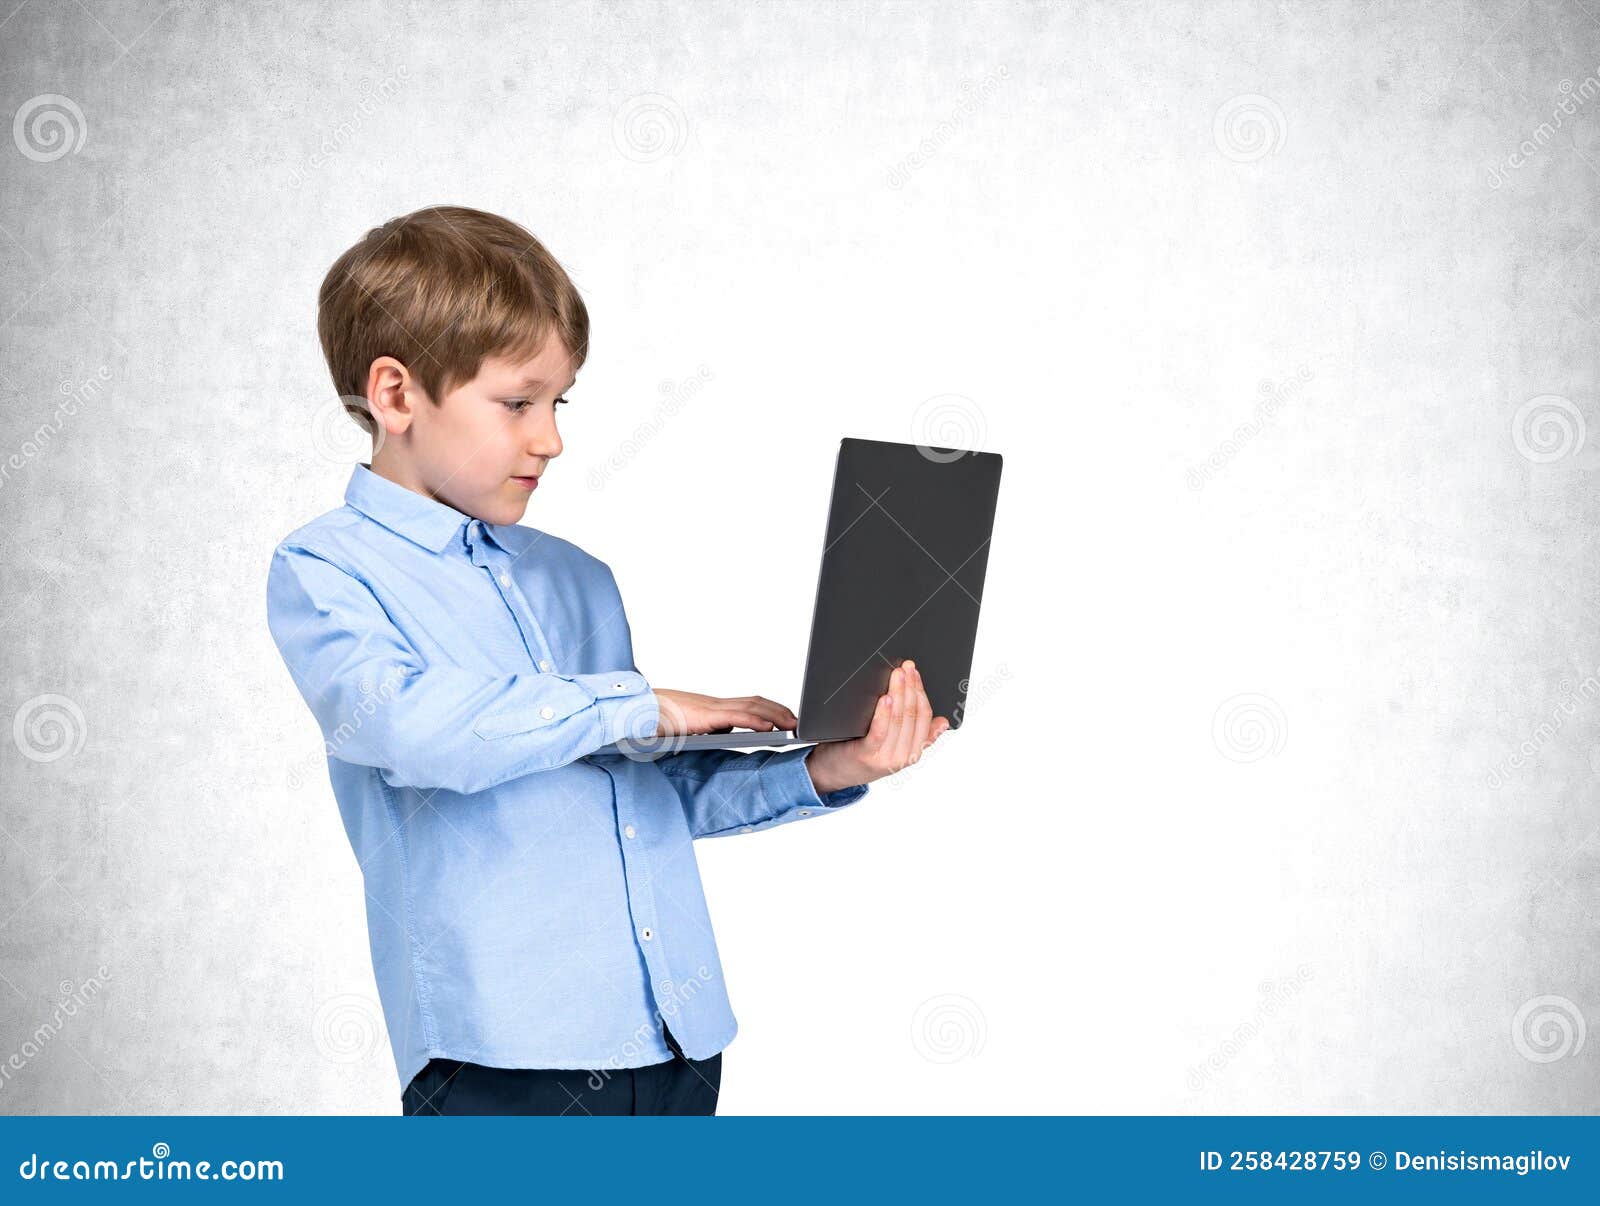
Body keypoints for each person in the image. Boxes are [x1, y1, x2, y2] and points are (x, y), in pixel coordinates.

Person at [265, 205, 949, 1115]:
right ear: (395, 396)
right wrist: (638, 705)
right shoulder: (325, 570)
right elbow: (408, 729)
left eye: (560, 403)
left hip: (678, 1040)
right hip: (502, 1057)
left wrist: (830, 765)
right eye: (518, 403)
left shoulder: (578, 578)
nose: (550, 439)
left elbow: (632, 803)